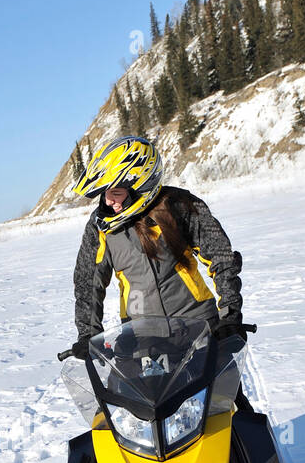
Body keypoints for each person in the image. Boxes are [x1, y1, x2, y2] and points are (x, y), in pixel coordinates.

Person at [71, 135, 248, 357]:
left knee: (223, 392)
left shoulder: (179, 206)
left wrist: (230, 315)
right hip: (140, 339)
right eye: (105, 193)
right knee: (119, 392)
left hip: (197, 328)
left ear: (140, 185)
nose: (108, 201)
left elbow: (221, 258)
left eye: (115, 193)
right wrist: (88, 335)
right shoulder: (100, 228)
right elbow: (88, 283)